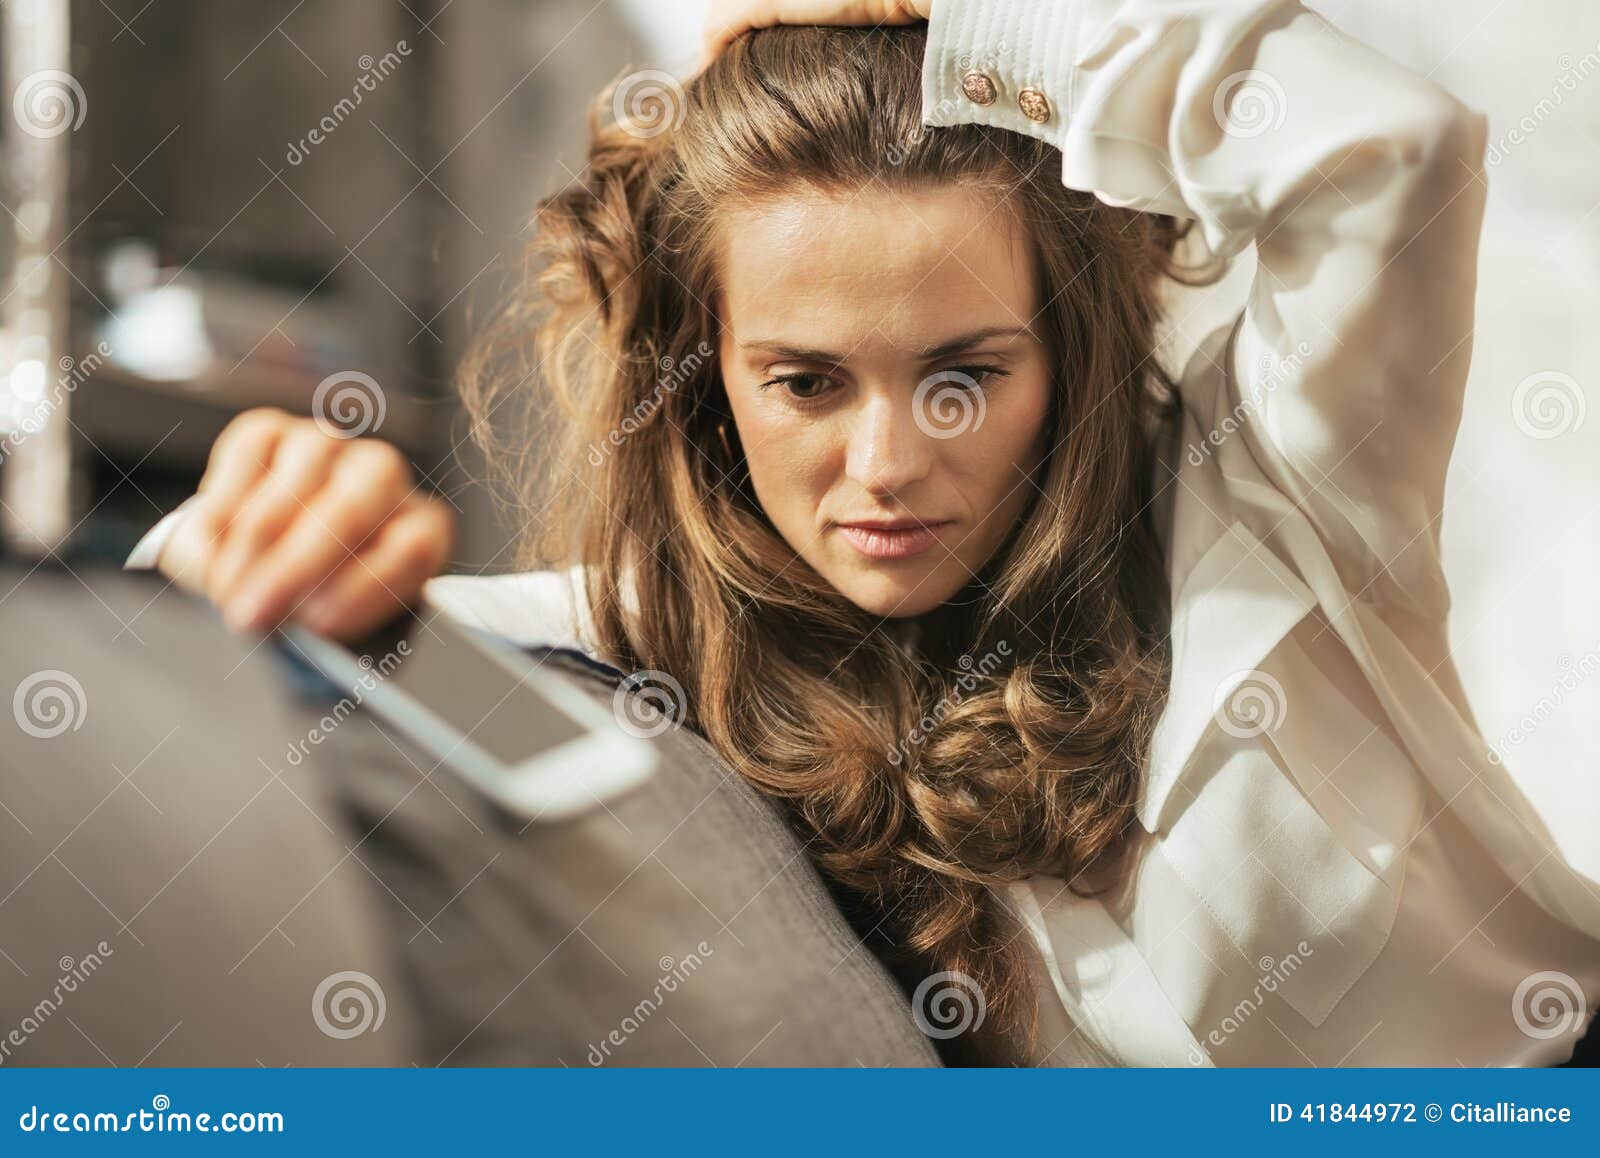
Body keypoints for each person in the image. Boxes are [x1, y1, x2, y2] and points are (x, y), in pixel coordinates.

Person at [127, 0, 1600, 1065]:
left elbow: (1391, 148)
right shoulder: (639, 642)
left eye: (966, 374)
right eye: (807, 384)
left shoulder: (1268, 499)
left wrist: (992, 34)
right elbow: (307, 656)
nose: (889, 465)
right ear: (709, 389)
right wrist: (229, 557)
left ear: (1065, 358)